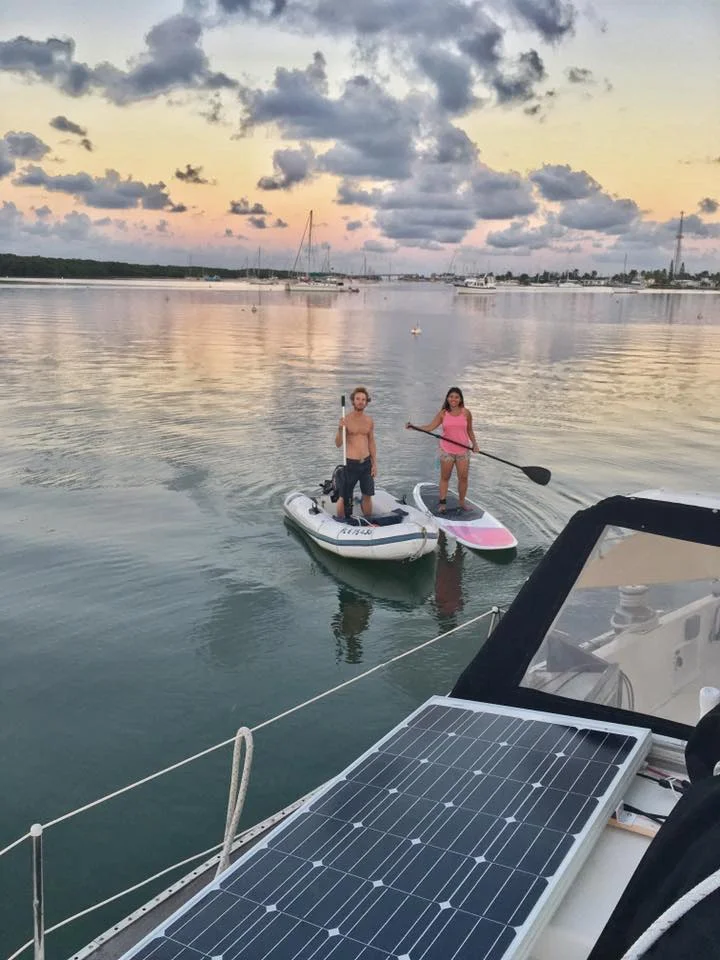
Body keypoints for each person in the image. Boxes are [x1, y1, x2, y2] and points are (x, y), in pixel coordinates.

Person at [407, 386, 479, 512]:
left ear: (461, 399)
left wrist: (475, 444)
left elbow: (470, 430)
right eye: (451, 397)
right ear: (447, 398)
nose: (453, 399)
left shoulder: (466, 413)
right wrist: (415, 427)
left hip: (463, 451)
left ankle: (462, 503)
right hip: (446, 451)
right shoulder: (443, 413)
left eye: (456, 397)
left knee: (463, 478)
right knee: (445, 477)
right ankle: (442, 504)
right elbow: (430, 427)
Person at [335, 386, 376, 519]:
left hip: (366, 464)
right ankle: (341, 522)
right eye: (358, 399)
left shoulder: (369, 421)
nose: (360, 402)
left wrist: (374, 463)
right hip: (350, 464)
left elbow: (371, 442)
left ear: (366, 402)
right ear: (353, 401)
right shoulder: (346, 419)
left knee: (367, 495)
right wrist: (340, 429)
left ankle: (369, 521)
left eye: (363, 399)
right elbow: (338, 444)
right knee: (344, 497)